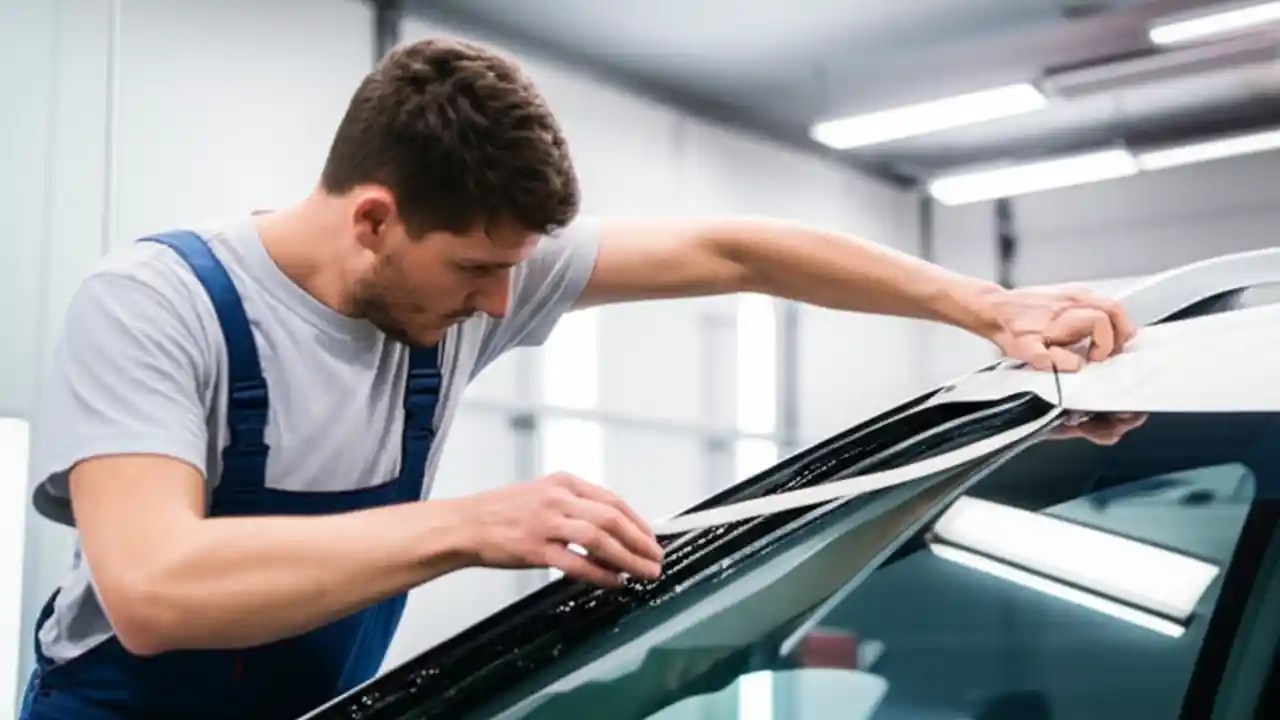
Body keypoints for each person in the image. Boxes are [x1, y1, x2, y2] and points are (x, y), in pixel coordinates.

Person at [17, 36, 1136, 720]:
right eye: (476, 270)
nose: (504, 306)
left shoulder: (459, 279)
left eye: (517, 268)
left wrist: (987, 305)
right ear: (373, 217)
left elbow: (735, 250)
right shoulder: (159, 304)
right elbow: (154, 593)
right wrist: (474, 526)